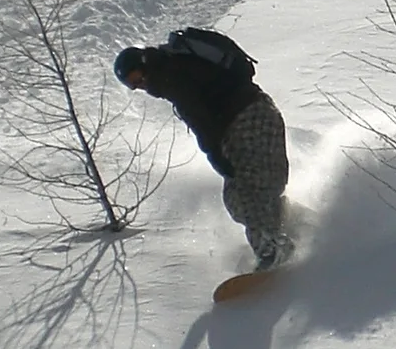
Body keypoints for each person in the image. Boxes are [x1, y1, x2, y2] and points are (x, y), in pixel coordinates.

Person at [114, 27, 293, 269]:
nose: (141, 85)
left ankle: (272, 249)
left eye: (137, 77)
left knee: (243, 193)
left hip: (246, 120)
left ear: (144, 62)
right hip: (262, 113)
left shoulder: (169, 75)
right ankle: (290, 222)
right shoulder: (177, 63)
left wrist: (214, 155)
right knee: (260, 187)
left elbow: (199, 119)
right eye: (133, 85)